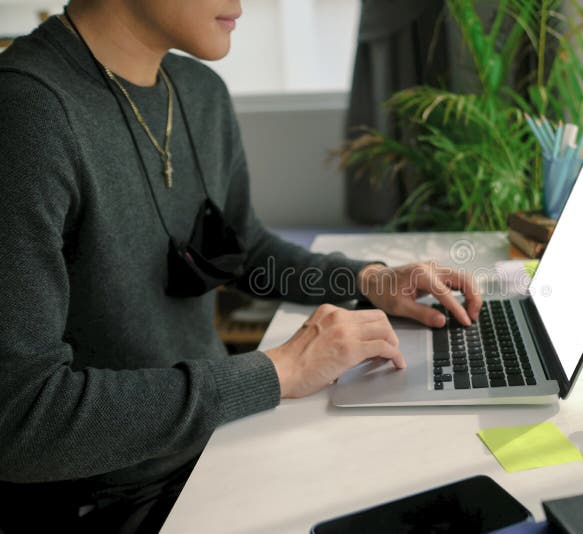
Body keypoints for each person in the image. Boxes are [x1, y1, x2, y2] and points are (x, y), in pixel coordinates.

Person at [0, 1, 482, 532]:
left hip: (213, 443)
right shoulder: (26, 115)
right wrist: (280, 370)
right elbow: (22, 420)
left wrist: (367, 280)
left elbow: (243, 252)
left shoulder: (198, 92)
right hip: (109, 501)